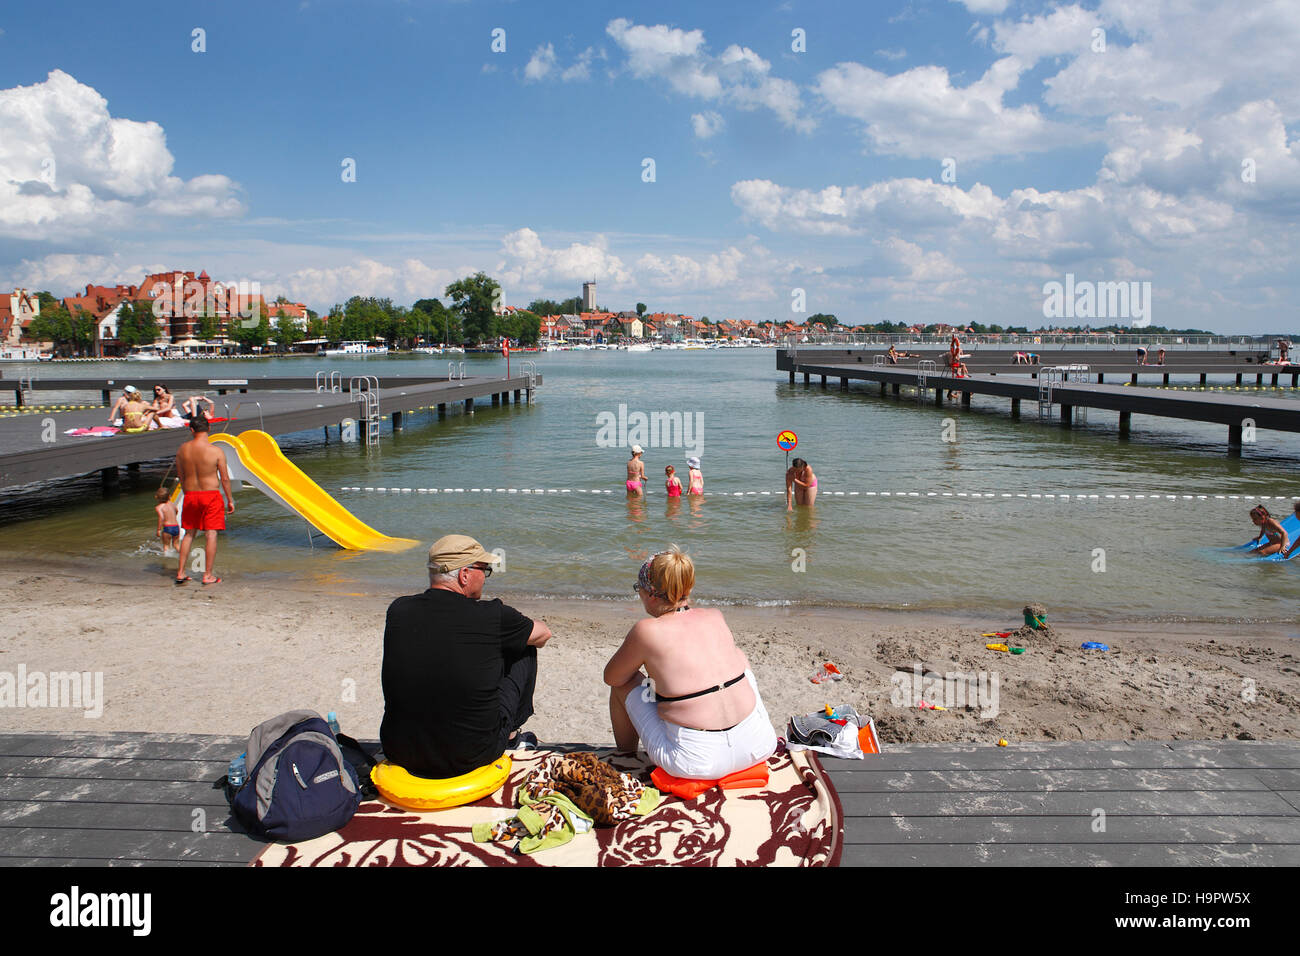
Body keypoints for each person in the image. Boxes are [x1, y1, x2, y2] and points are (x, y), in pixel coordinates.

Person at [379, 535, 553, 778]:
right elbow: (544, 634)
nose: (486, 577)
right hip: (472, 754)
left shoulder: (398, 610)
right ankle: (512, 737)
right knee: (524, 645)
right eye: (485, 570)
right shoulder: (493, 615)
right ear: (464, 575)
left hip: (400, 750)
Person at [604, 548, 777, 779]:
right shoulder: (715, 616)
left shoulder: (646, 630)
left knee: (625, 681)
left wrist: (655, 678)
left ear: (651, 594)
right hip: (759, 745)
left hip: (695, 763)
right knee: (738, 656)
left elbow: (612, 677)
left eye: (639, 589)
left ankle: (626, 758)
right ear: (689, 588)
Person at [174, 416, 234, 585]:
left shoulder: (182, 450)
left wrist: (187, 493)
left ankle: (180, 572)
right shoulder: (216, 451)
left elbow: (181, 476)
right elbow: (225, 479)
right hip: (211, 495)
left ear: (192, 430)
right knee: (211, 534)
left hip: (191, 495)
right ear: (209, 428)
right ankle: (207, 575)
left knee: (188, 534)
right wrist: (230, 499)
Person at [154, 487, 181, 554]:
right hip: (176, 527)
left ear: (156, 497)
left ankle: (166, 558)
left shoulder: (159, 507)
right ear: (169, 497)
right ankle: (183, 554)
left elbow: (161, 517)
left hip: (168, 528)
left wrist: (159, 529)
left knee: (166, 546)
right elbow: (176, 511)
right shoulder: (172, 504)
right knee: (176, 545)